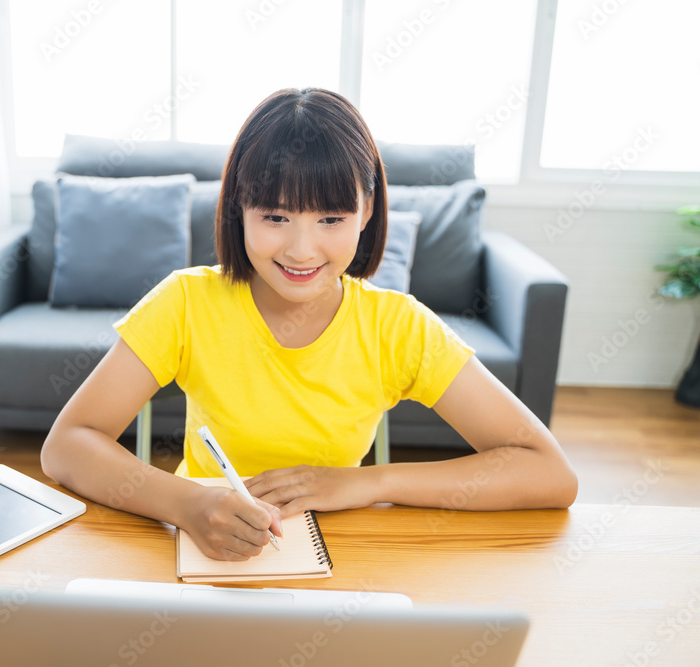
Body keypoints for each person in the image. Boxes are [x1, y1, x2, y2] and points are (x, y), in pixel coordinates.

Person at [41, 87, 578, 562]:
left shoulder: (399, 328)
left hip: (341, 554)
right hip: (203, 547)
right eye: (275, 217)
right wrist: (188, 504)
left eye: (330, 219)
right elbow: (66, 445)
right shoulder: (186, 303)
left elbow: (549, 473)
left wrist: (367, 483)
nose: (301, 250)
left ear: (367, 211)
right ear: (238, 210)